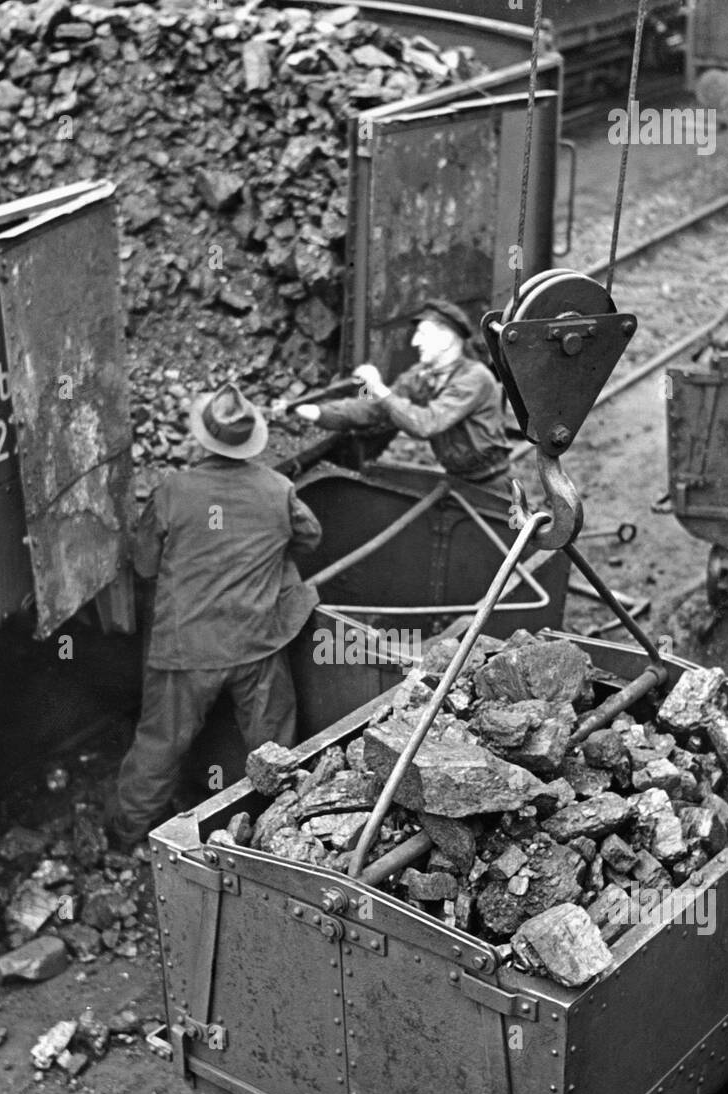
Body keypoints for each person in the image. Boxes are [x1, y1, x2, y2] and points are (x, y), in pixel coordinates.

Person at [108, 383, 322, 850]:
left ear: (202, 439)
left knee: (159, 747)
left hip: (186, 650)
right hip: (257, 645)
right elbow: (309, 537)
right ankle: (278, 839)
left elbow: (144, 565)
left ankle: (126, 841)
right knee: (274, 749)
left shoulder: (173, 491)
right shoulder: (278, 488)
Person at [295, 298, 511, 489]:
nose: (415, 341)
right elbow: (374, 408)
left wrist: (378, 387)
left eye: (423, 334)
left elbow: (427, 424)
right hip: (458, 479)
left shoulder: (474, 378)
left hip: (491, 484)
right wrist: (315, 412)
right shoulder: (421, 375)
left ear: (446, 341)